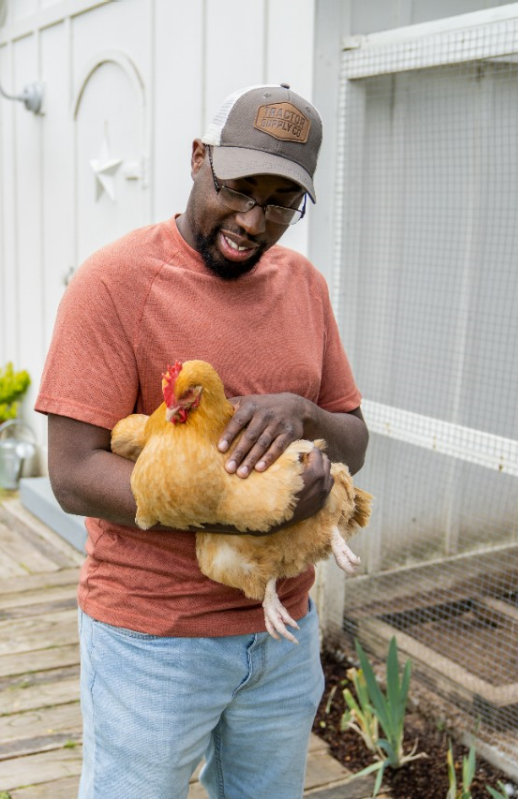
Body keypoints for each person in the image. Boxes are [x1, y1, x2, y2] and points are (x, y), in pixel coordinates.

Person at [34, 84, 369, 798]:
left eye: (280, 202)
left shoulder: (305, 286)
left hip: (283, 632)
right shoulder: (112, 284)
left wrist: (303, 414)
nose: (253, 220)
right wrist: (247, 506)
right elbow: (69, 474)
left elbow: (355, 439)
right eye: (238, 189)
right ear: (197, 159)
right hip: (153, 639)